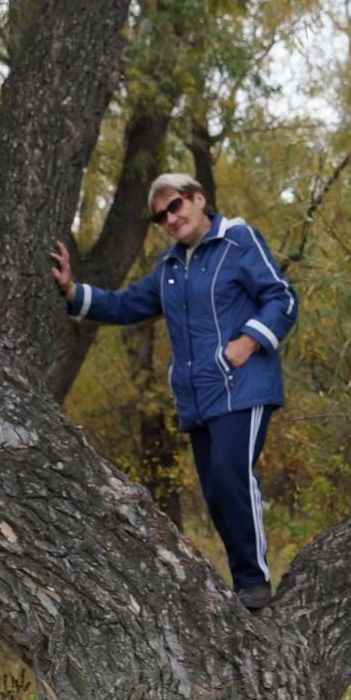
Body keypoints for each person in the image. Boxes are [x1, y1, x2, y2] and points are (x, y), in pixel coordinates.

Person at [49, 173, 297, 610]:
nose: (170, 217)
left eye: (176, 205)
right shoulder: (168, 269)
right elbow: (126, 305)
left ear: (198, 198)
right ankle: (244, 586)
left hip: (244, 385)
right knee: (217, 493)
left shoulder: (238, 239)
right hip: (197, 398)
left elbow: (281, 298)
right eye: (161, 215)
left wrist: (248, 340)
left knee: (231, 475)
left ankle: (254, 583)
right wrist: (71, 290)